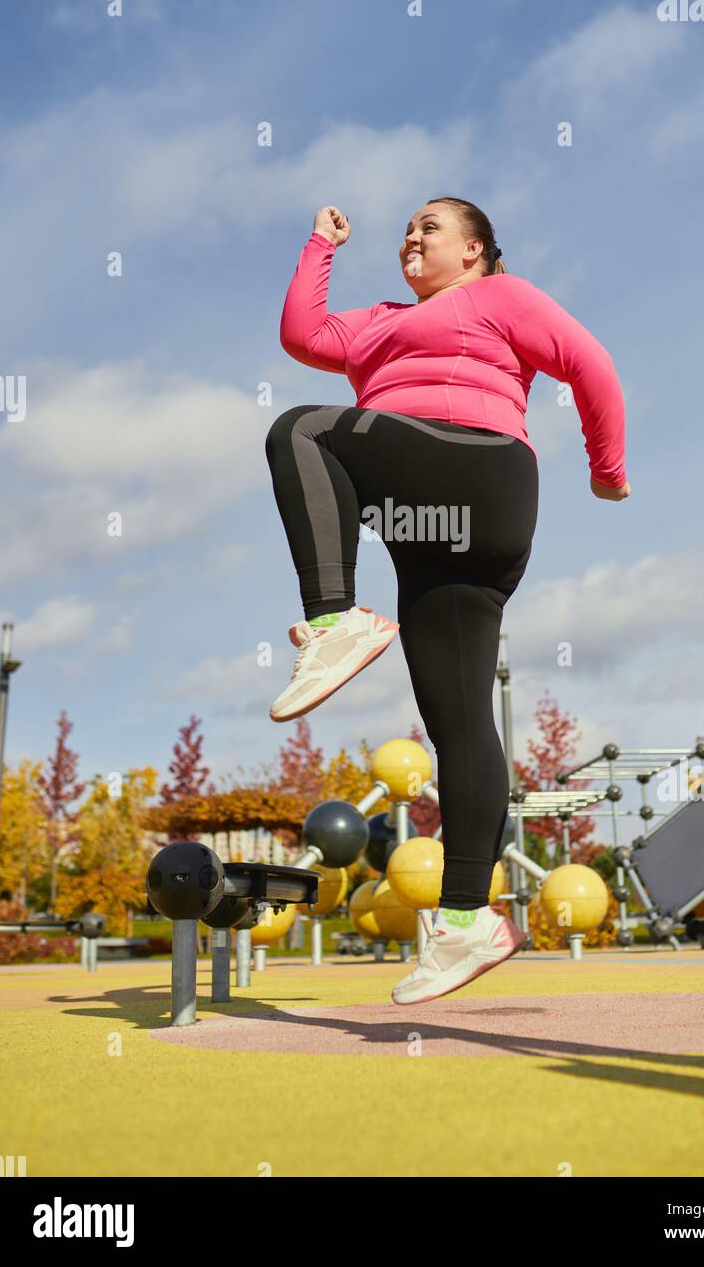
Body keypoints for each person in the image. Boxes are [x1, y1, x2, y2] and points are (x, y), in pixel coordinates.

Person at [265, 197, 629, 1004]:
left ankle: (336, 618)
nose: (412, 235)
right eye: (408, 227)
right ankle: (468, 918)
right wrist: (319, 244)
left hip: (480, 475)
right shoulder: (377, 324)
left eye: (432, 225)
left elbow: (590, 363)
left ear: (474, 250)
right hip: (426, 533)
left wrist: (607, 468)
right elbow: (302, 334)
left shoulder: (498, 297)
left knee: (304, 432)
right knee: (459, 724)